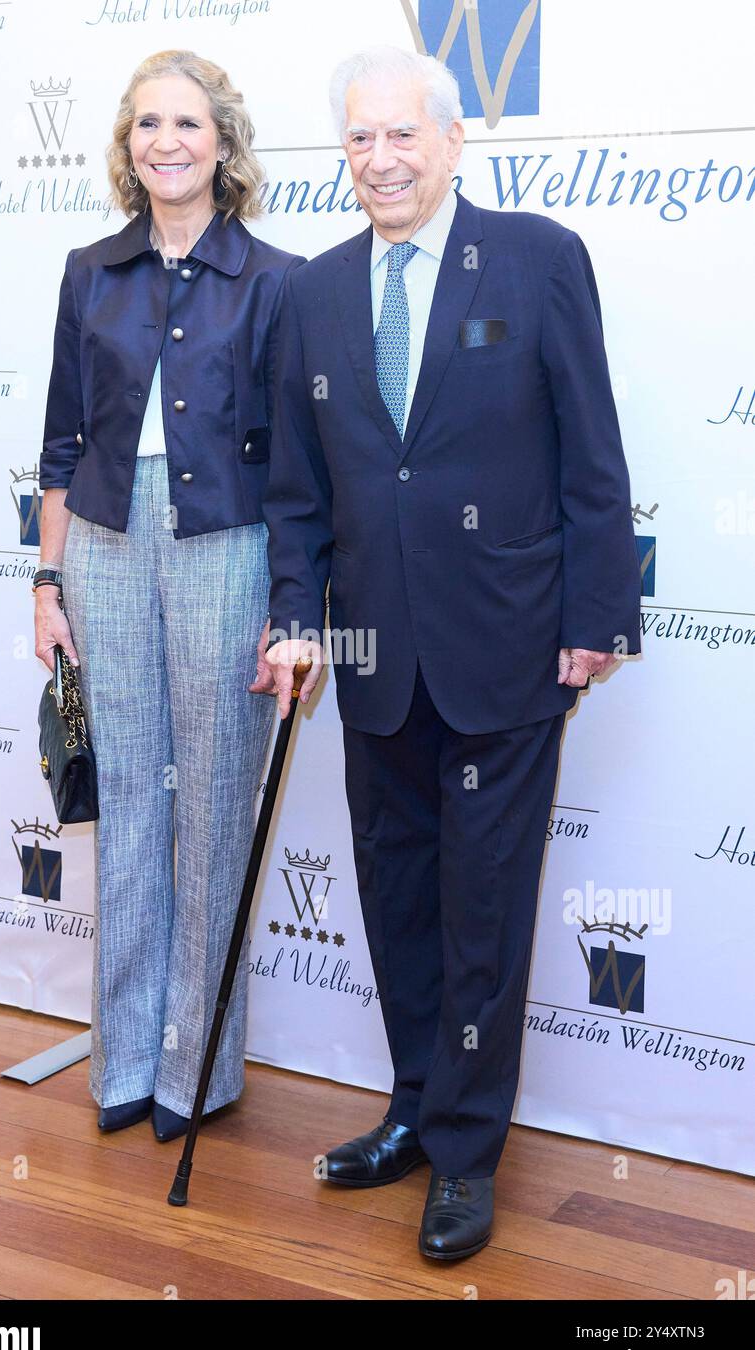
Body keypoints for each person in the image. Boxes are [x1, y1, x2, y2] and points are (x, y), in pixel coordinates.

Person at [258, 45, 641, 1260]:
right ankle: (415, 1110)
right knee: (397, 905)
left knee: (482, 908)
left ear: (449, 141)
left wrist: (594, 617)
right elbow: (296, 492)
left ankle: (467, 1155)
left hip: (507, 648)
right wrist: (292, 615)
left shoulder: (535, 260)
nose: (378, 159)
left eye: (399, 136)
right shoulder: (315, 294)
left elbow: (590, 449)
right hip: (372, 658)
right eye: (358, 140)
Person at [34, 49, 303, 1142]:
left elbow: (298, 464)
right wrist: (47, 582)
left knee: (209, 812)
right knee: (131, 807)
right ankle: (126, 1060)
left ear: (223, 143)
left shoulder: (276, 279)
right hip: (101, 543)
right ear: (126, 145)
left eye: (188, 123)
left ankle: (198, 1067)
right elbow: (58, 441)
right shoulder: (89, 270)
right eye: (147, 124)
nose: (167, 142)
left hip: (225, 549)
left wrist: (292, 609)